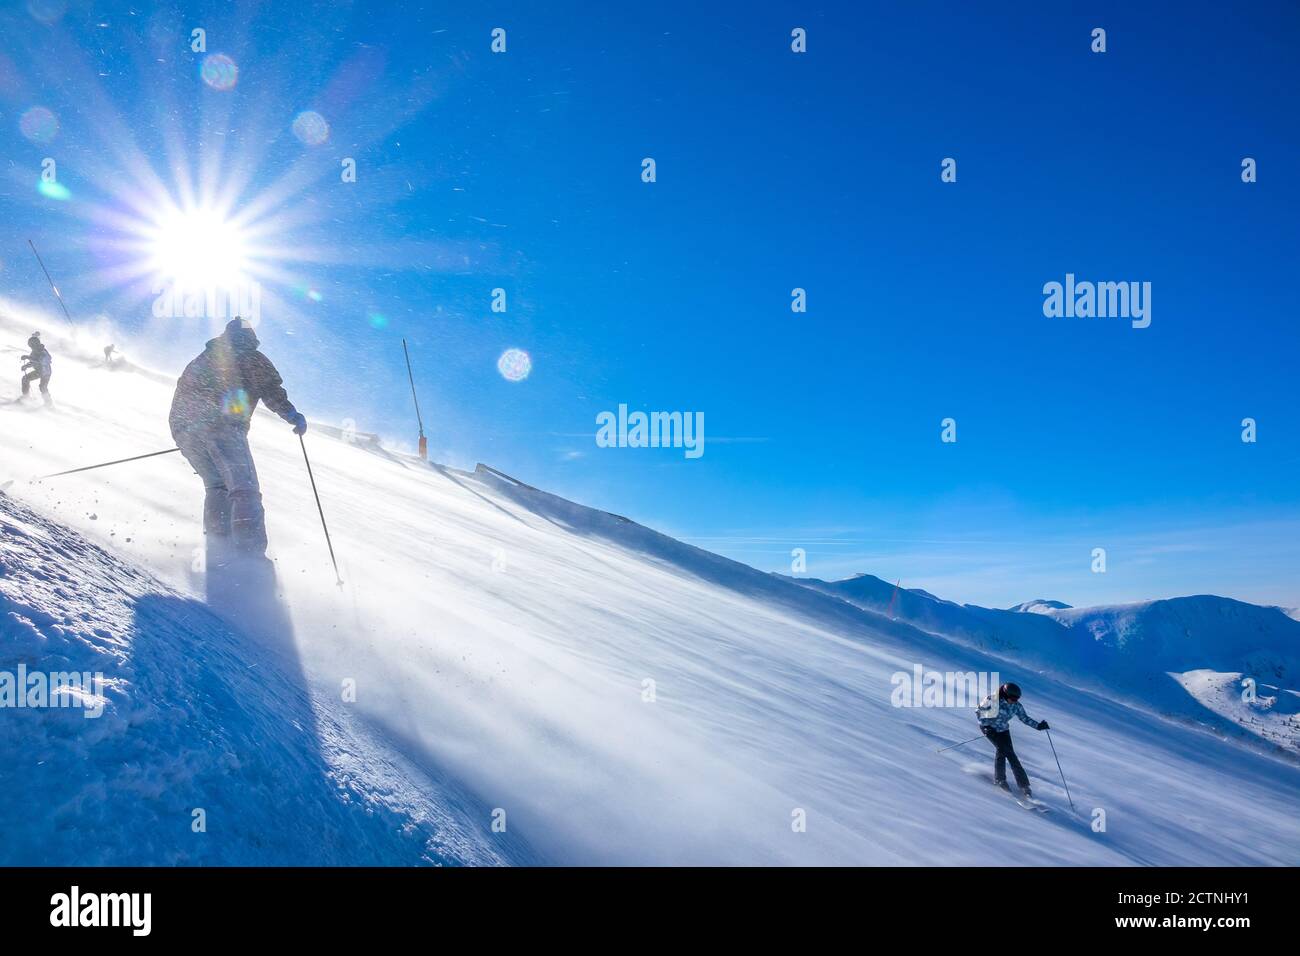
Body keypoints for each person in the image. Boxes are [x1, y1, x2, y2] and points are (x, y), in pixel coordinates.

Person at [168, 317, 307, 555]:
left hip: (184, 428)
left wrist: (189, 431)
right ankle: (249, 553)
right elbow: (271, 391)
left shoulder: (204, 357)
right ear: (250, 336)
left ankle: (218, 545)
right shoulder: (251, 357)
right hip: (222, 426)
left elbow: (185, 389)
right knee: (244, 489)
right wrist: (293, 416)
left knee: (217, 486)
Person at [975, 682, 1048, 797]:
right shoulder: (992, 700)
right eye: (1013, 698)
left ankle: (1024, 786)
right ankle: (1000, 780)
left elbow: (1024, 718)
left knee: (1012, 755)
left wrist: (1038, 726)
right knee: (1002, 750)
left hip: (1003, 729)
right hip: (989, 729)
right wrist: (986, 726)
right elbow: (979, 712)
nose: (1015, 701)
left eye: (1017, 699)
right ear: (1005, 694)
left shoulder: (1016, 705)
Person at [20, 332, 53, 405]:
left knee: (42, 387)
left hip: (45, 373)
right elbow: (33, 362)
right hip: (39, 371)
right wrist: (26, 366)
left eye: (32, 345)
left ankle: (49, 404)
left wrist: (28, 357)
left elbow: (42, 361)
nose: (31, 347)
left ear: (35, 344)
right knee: (25, 378)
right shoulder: (34, 352)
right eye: (30, 345)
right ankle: (25, 397)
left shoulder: (42, 351)